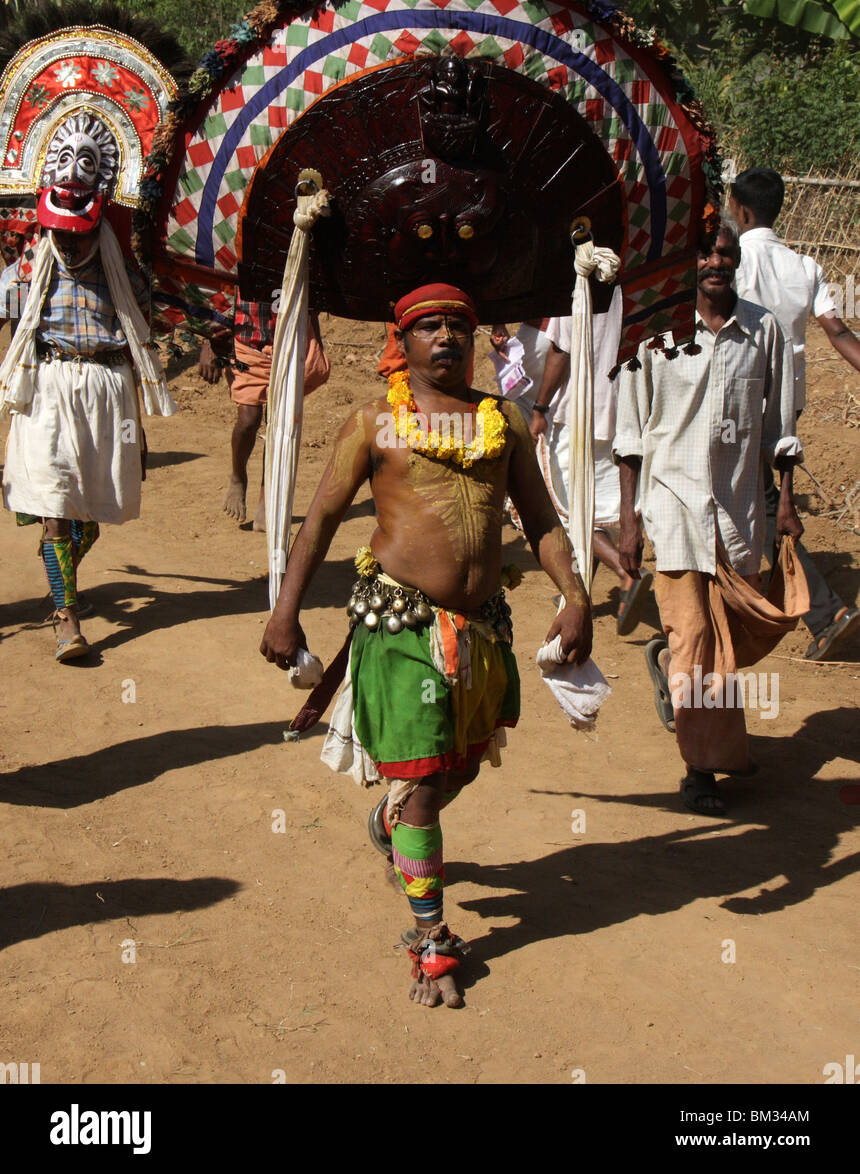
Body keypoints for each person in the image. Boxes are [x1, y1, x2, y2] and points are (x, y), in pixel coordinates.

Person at [260, 282, 592, 1008]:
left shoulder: (502, 419)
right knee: (424, 786)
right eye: (428, 327)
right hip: (400, 627)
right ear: (401, 344)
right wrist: (285, 612)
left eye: (459, 327)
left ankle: (390, 820)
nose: (446, 338)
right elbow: (317, 524)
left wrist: (576, 595)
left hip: (480, 630)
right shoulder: (375, 422)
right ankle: (431, 939)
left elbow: (540, 520)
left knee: (457, 771)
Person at [615, 216, 806, 815]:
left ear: (737, 262)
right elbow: (629, 437)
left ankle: (671, 667)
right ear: (688, 263)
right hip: (673, 509)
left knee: (754, 627)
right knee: (701, 640)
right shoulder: (653, 333)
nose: (715, 263)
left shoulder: (764, 332)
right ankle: (701, 771)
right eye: (705, 254)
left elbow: (780, 430)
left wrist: (787, 503)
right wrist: (629, 521)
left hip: (740, 512)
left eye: (724, 253)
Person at [0, 113, 175, 661]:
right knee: (55, 506)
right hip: (47, 385)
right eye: (60, 235)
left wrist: (138, 428)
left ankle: (60, 570)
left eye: (77, 237)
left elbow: (147, 331)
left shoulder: (123, 265)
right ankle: (67, 620)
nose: (69, 247)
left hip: (108, 389)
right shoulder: (25, 267)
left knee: (89, 516)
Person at [729, 166, 860, 660]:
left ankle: (824, 612)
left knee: (760, 507)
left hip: (740, 396)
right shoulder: (805, 266)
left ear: (740, 210)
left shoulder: (734, 260)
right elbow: (840, 334)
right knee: (762, 499)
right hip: (787, 402)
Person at [527, 289, 653, 633]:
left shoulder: (580, 289)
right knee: (591, 503)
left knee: (566, 507)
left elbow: (560, 351)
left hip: (581, 410)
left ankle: (624, 572)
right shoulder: (641, 285)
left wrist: (540, 407)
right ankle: (577, 591)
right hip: (630, 410)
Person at [199, 295, 329, 529]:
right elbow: (219, 294)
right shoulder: (244, 260)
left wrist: (315, 342)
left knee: (278, 425)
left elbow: (315, 304)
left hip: (290, 346)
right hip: (247, 346)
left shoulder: (306, 258)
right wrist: (209, 344)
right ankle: (238, 476)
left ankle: (267, 498)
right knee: (249, 420)